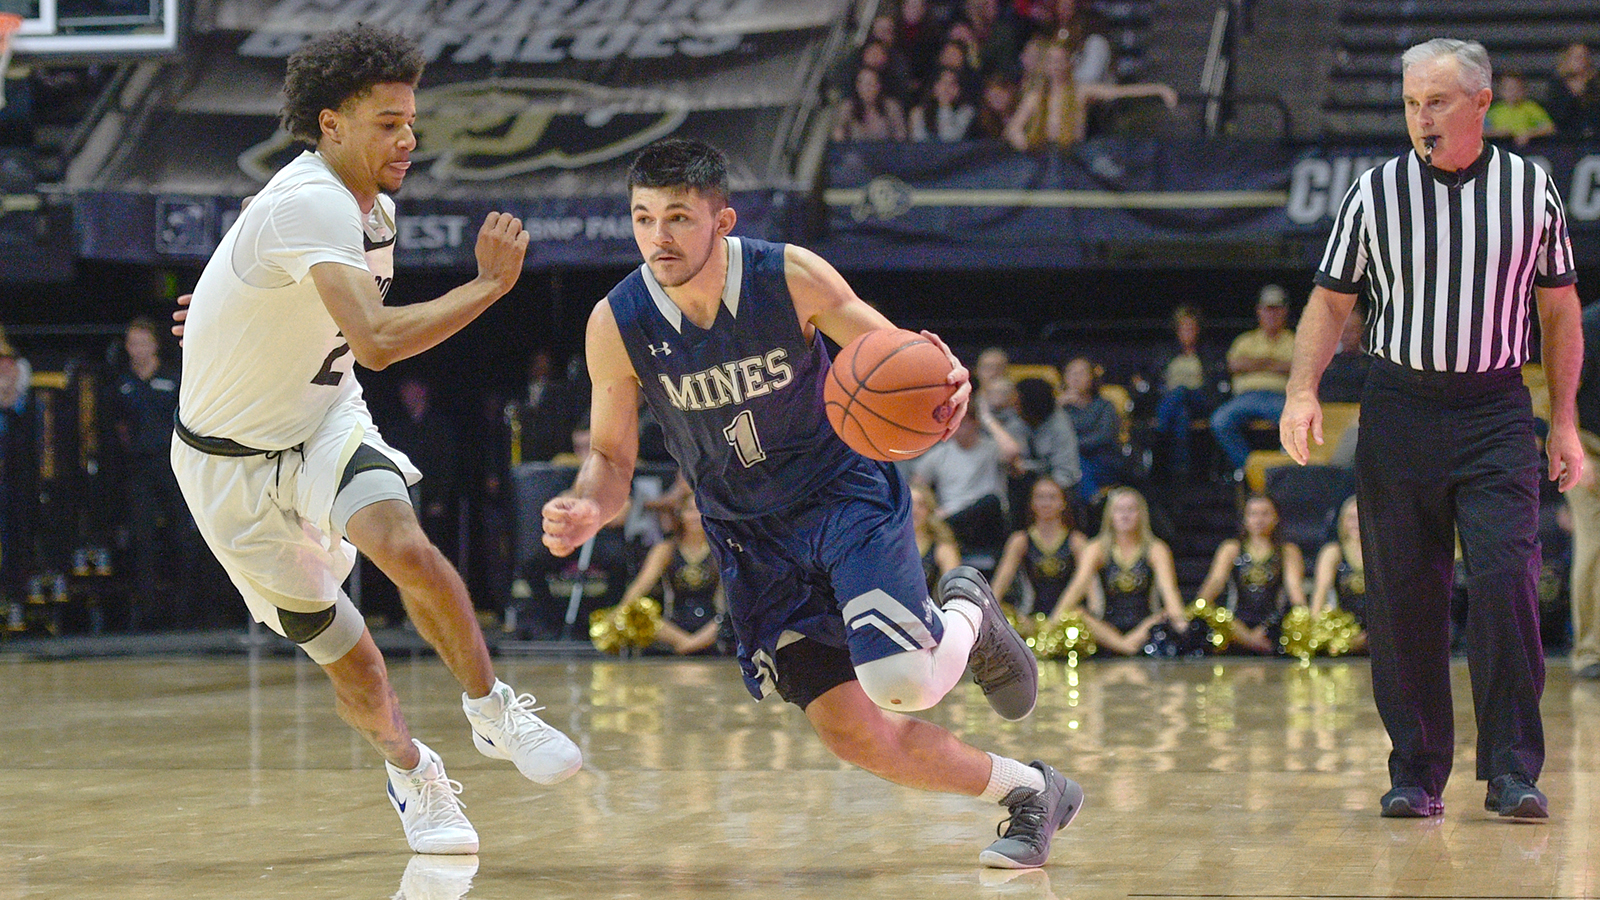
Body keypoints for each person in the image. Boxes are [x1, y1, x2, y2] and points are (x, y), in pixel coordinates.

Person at [541, 138, 1081, 869]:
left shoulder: (789, 275)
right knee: (852, 732)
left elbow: (895, 358)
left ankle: (969, 614)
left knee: (902, 683)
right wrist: (585, 506)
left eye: (677, 218)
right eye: (642, 219)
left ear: (722, 221)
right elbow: (609, 459)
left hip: (842, 496)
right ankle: (1033, 792)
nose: (657, 238)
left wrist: (943, 385)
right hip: (749, 535)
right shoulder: (618, 322)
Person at [168, 24, 581, 855]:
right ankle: (411, 771)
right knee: (350, 661)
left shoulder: (369, 208)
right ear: (331, 124)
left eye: (409, 120)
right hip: (230, 471)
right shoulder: (314, 199)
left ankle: (491, 707)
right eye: (388, 121)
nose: (409, 137)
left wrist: (221, 310)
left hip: (322, 418)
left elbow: (290, 289)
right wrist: (490, 286)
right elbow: (379, 342)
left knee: (404, 544)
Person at [1280, 39, 1583, 820]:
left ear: (1481, 103)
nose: (1422, 117)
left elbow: (1559, 310)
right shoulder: (1375, 193)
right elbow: (1327, 302)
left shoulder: (1531, 188)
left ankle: (1512, 770)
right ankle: (1416, 771)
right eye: (1412, 103)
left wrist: (1568, 422)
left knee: (1507, 581)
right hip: (1400, 407)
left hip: (1495, 409)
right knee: (1404, 596)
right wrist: (1301, 392)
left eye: (1438, 102)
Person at [110, 316, 194, 632]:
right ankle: (147, 612)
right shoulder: (122, 383)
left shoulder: (173, 379)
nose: (138, 350)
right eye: (133, 344)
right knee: (142, 538)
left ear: (155, 345)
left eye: (143, 343)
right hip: (139, 468)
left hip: (172, 466)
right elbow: (117, 426)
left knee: (181, 536)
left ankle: (186, 610)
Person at [1047, 487, 1187, 655]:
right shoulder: (1096, 548)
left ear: (1141, 514)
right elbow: (1077, 587)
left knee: (1166, 615)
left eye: (1131, 510)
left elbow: (1169, 591)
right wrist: (1051, 624)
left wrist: (1182, 626)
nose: (1125, 515)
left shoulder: (1156, 549)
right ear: (1110, 515)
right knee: (1078, 614)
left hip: (1143, 627)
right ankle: (1124, 646)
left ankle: (1125, 645)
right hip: (1106, 628)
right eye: (1119, 510)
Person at [1003, 38, 1176, 151]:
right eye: (1051, 61)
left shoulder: (1081, 91)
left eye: (1059, 61)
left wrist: (1159, 89)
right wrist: (1026, 146)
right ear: (1046, 65)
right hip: (1045, 159)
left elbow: (1118, 92)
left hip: (1074, 157)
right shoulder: (1037, 96)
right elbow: (1012, 129)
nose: (1055, 66)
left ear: (1069, 63)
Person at [1192, 494, 1306, 655]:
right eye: (1253, 514)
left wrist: (1303, 616)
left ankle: (1256, 642)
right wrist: (1199, 606)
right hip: (1236, 624)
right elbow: (1215, 582)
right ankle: (1252, 642)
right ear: (1245, 519)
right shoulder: (1231, 548)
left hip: (1273, 624)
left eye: (1265, 514)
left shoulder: (1287, 551)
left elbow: (1294, 590)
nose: (1259, 520)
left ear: (1276, 518)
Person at [620, 493, 726, 656]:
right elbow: (641, 586)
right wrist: (621, 612)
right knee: (636, 612)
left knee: (735, 616)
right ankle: (688, 644)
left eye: (701, 510)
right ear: (680, 514)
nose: (695, 516)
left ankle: (692, 645)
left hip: (711, 627)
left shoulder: (720, 550)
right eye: (690, 510)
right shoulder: (666, 549)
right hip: (673, 627)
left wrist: (699, 639)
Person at [1211, 284, 1296, 478]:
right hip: (1246, 398)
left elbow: (1299, 368)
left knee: (1296, 422)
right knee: (1220, 421)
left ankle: (1284, 472)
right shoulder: (1245, 340)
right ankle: (1251, 469)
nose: (1271, 314)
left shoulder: (1295, 340)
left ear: (1284, 312)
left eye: (1276, 309)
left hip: (1281, 398)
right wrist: (1275, 364)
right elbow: (1234, 365)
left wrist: (1255, 363)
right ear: (1259, 312)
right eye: (1267, 309)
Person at [913, 409, 1019, 560]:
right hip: (953, 522)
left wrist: (987, 418)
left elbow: (1013, 451)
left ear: (975, 423)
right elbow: (917, 487)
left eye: (962, 423)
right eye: (953, 424)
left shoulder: (991, 448)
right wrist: (933, 509)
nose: (957, 428)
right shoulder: (940, 454)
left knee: (991, 501)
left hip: (986, 520)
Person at [990, 476, 1086, 615]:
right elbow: (999, 586)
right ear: (1032, 503)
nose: (1046, 503)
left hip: (1068, 619)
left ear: (1063, 503)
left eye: (1052, 497)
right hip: (1029, 618)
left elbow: (1089, 587)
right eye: (1040, 497)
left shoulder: (1076, 541)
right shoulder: (1020, 541)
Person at [1147, 305, 1220, 485]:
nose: (1188, 332)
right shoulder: (1166, 353)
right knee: (1181, 415)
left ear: (1198, 330)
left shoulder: (1206, 353)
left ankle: (1160, 430)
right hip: (1174, 404)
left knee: (1181, 391)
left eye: (1191, 328)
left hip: (1200, 400)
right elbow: (1155, 381)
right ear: (1177, 330)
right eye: (1183, 328)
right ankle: (1181, 476)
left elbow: (1213, 386)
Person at [1567, 299, 1600, 680]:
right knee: (1594, 546)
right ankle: (1589, 653)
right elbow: (1565, 390)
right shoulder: (1589, 324)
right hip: (1588, 445)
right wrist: (1579, 454)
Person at [1309, 496, 1369, 653]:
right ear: (1343, 521)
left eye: (1361, 516)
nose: (1356, 523)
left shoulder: (1380, 552)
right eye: (1351, 518)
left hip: (1377, 629)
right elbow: (1320, 592)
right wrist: (1314, 631)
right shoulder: (1333, 551)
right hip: (1345, 630)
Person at [1058, 356, 1120, 504]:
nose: (1076, 377)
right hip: (1069, 462)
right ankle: (1093, 501)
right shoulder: (1059, 408)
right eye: (1071, 373)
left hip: (1101, 460)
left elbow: (1105, 436)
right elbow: (1050, 435)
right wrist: (1057, 406)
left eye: (1081, 373)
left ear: (1092, 378)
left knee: (1076, 462)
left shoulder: (1105, 406)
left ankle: (1093, 501)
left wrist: (1071, 445)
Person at [912, 482, 963, 596]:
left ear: (929, 511)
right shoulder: (888, 546)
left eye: (920, 505)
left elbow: (955, 592)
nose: (914, 511)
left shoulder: (943, 549)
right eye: (909, 504)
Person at [833, 65, 909, 142]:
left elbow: (901, 135)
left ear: (878, 86)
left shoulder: (891, 106)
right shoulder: (847, 107)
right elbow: (838, 134)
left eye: (870, 83)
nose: (867, 88)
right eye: (862, 84)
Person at [1485, 71, 1554, 148]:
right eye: (1507, 89)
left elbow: (1549, 129)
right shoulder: (1495, 110)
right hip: (1502, 148)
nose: (1512, 93)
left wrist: (1528, 134)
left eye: (1515, 88)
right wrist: (1498, 133)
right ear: (1501, 91)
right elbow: (1481, 131)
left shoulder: (1531, 108)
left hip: (1528, 149)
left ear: (1523, 90)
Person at [1546, 43, 1600, 139]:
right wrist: (1573, 94)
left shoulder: (1595, 83)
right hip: (1566, 139)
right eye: (1576, 57)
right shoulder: (1557, 84)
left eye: (1584, 56)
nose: (1581, 61)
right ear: (1566, 59)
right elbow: (1557, 117)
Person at [910, 67, 978, 142]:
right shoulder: (918, 111)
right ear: (934, 87)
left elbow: (949, 139)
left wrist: (945, 106)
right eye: (943, 82)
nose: (947, 88)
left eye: (952, 83)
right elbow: (918, 141)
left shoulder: (967, 111)